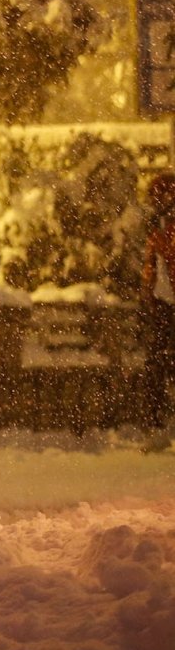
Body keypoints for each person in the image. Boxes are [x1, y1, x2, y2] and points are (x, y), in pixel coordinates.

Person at [140, 172, 175, 452]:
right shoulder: (159, 228)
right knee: (158, 365)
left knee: (160, 364)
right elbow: (152, 265)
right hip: (164, 305)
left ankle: (160, 424)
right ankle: (159, 424)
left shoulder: (165, 230)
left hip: (166, 305)